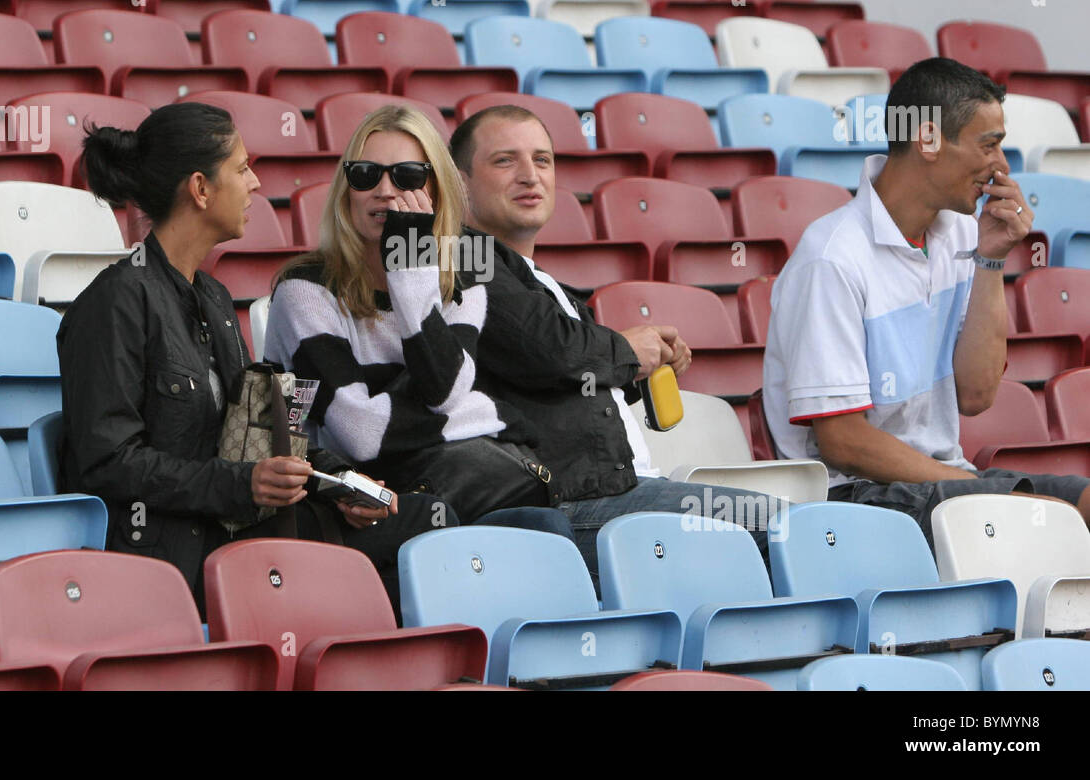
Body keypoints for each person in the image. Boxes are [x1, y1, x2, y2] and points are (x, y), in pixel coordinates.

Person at [56, 101, 415, 614]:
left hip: (235, 529)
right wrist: (243, 483)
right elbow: (107, 464)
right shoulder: (114, 303)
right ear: (200, 189)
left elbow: (255, 430)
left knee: (418, 522)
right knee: (417, 534)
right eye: (242, 168)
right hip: (170, 554)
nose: (254, 183)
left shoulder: (214, 298)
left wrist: (338, 482)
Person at [763, 57, 1090, 545]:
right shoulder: (831, 258)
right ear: (929, 141)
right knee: (1044, 524)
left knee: (1082, 503)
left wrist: (991, 261)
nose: (1001, 165)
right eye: (989, 144)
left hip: (941, 481)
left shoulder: (962, 232)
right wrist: (981, 493)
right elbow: (844, 442)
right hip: (851, 498)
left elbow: (976, 397)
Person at [449, 104, 780, 580]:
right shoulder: (465, 257)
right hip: (568, 506)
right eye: (505, 161)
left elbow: (550, 371)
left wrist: (638, 371)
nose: (529, 176)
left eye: (542, 160)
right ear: (459, 182)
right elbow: (546, 349)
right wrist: (625, 352)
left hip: (622, 490)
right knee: (787, 529)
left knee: (799, 529)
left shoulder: (542, 282)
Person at [264, 104, 574, 540]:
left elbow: (441, 389)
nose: (386, 191)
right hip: (355, 499)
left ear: (437, 190)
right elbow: (362, 435)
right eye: (366, 174)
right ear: (346, 189)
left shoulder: (462, 281)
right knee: (441, 521)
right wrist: (484, 413)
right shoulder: (306, 288)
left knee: (546, 528)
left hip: (449, 484)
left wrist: (410, 273)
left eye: (408, 176)